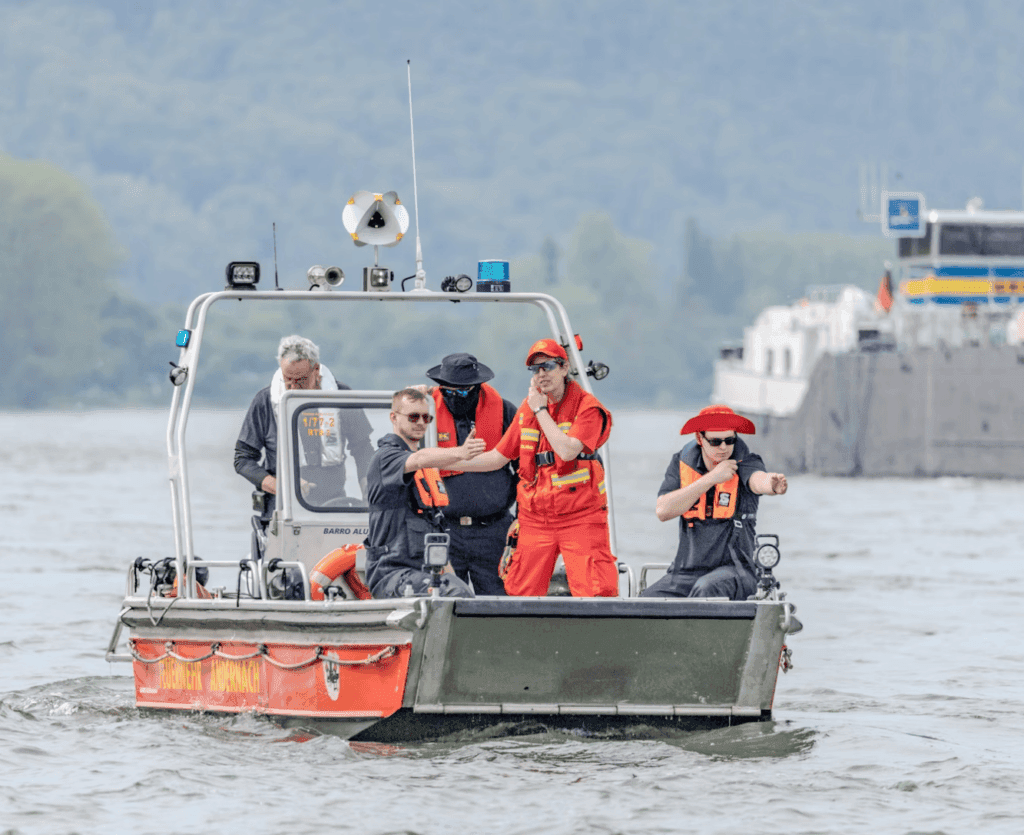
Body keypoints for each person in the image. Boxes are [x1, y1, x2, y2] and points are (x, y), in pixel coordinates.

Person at [458, 339, 617, 597]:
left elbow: (566, 450)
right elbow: (497, 458)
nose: (542, 374)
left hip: (580, 516)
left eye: (548, 366)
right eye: (536, 369)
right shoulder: (528, 409)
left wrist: (540, 409)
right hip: (535, 518)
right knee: (520, 591)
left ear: (564, 368)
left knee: (594, 591)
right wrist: (449, 459)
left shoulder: (588, 408)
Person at [641, 405, 788, 601]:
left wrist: (771, 484)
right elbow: (663, 511)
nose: (724, 448)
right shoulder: (681, 464)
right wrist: (711, 479)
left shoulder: (747, 462)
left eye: (730, 440)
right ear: (699, 439)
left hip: (736, 571)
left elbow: (757, 480)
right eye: (716, 441)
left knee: (706, 589)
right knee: (645, 600)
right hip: (686, 573)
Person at [234, 335, 374, 530]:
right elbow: (242, 460)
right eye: (287, 380)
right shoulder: (265, 400)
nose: (292, 388)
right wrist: (280, 487)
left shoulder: (342, 395)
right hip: (280, 512)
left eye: (300, 381)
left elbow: (363, 450)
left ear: (316, 370)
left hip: (333, 509)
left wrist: (370, 495)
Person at [363, 388, 487, 598]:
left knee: (462, 591)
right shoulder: (386, 459)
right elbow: (419, 458)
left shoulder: (425, 472)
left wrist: (456, 581)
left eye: (426, 417)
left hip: (426, 574)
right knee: (453, 591)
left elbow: (436, 534)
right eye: (413, 417)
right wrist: (460, 452)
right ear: (394, 418)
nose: (420, 422)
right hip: (392, 574)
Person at [424, 353, 518, 595]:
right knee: (443, 600)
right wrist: (411, 397)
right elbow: (404, 455)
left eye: (465, 392)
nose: (457, 397)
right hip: (444, 529)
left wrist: (522, 519)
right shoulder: (424, 412)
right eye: (449, 391)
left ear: (478, 388)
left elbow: (525, 470)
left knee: (500, 602)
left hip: (494, 530)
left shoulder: (505, 411)